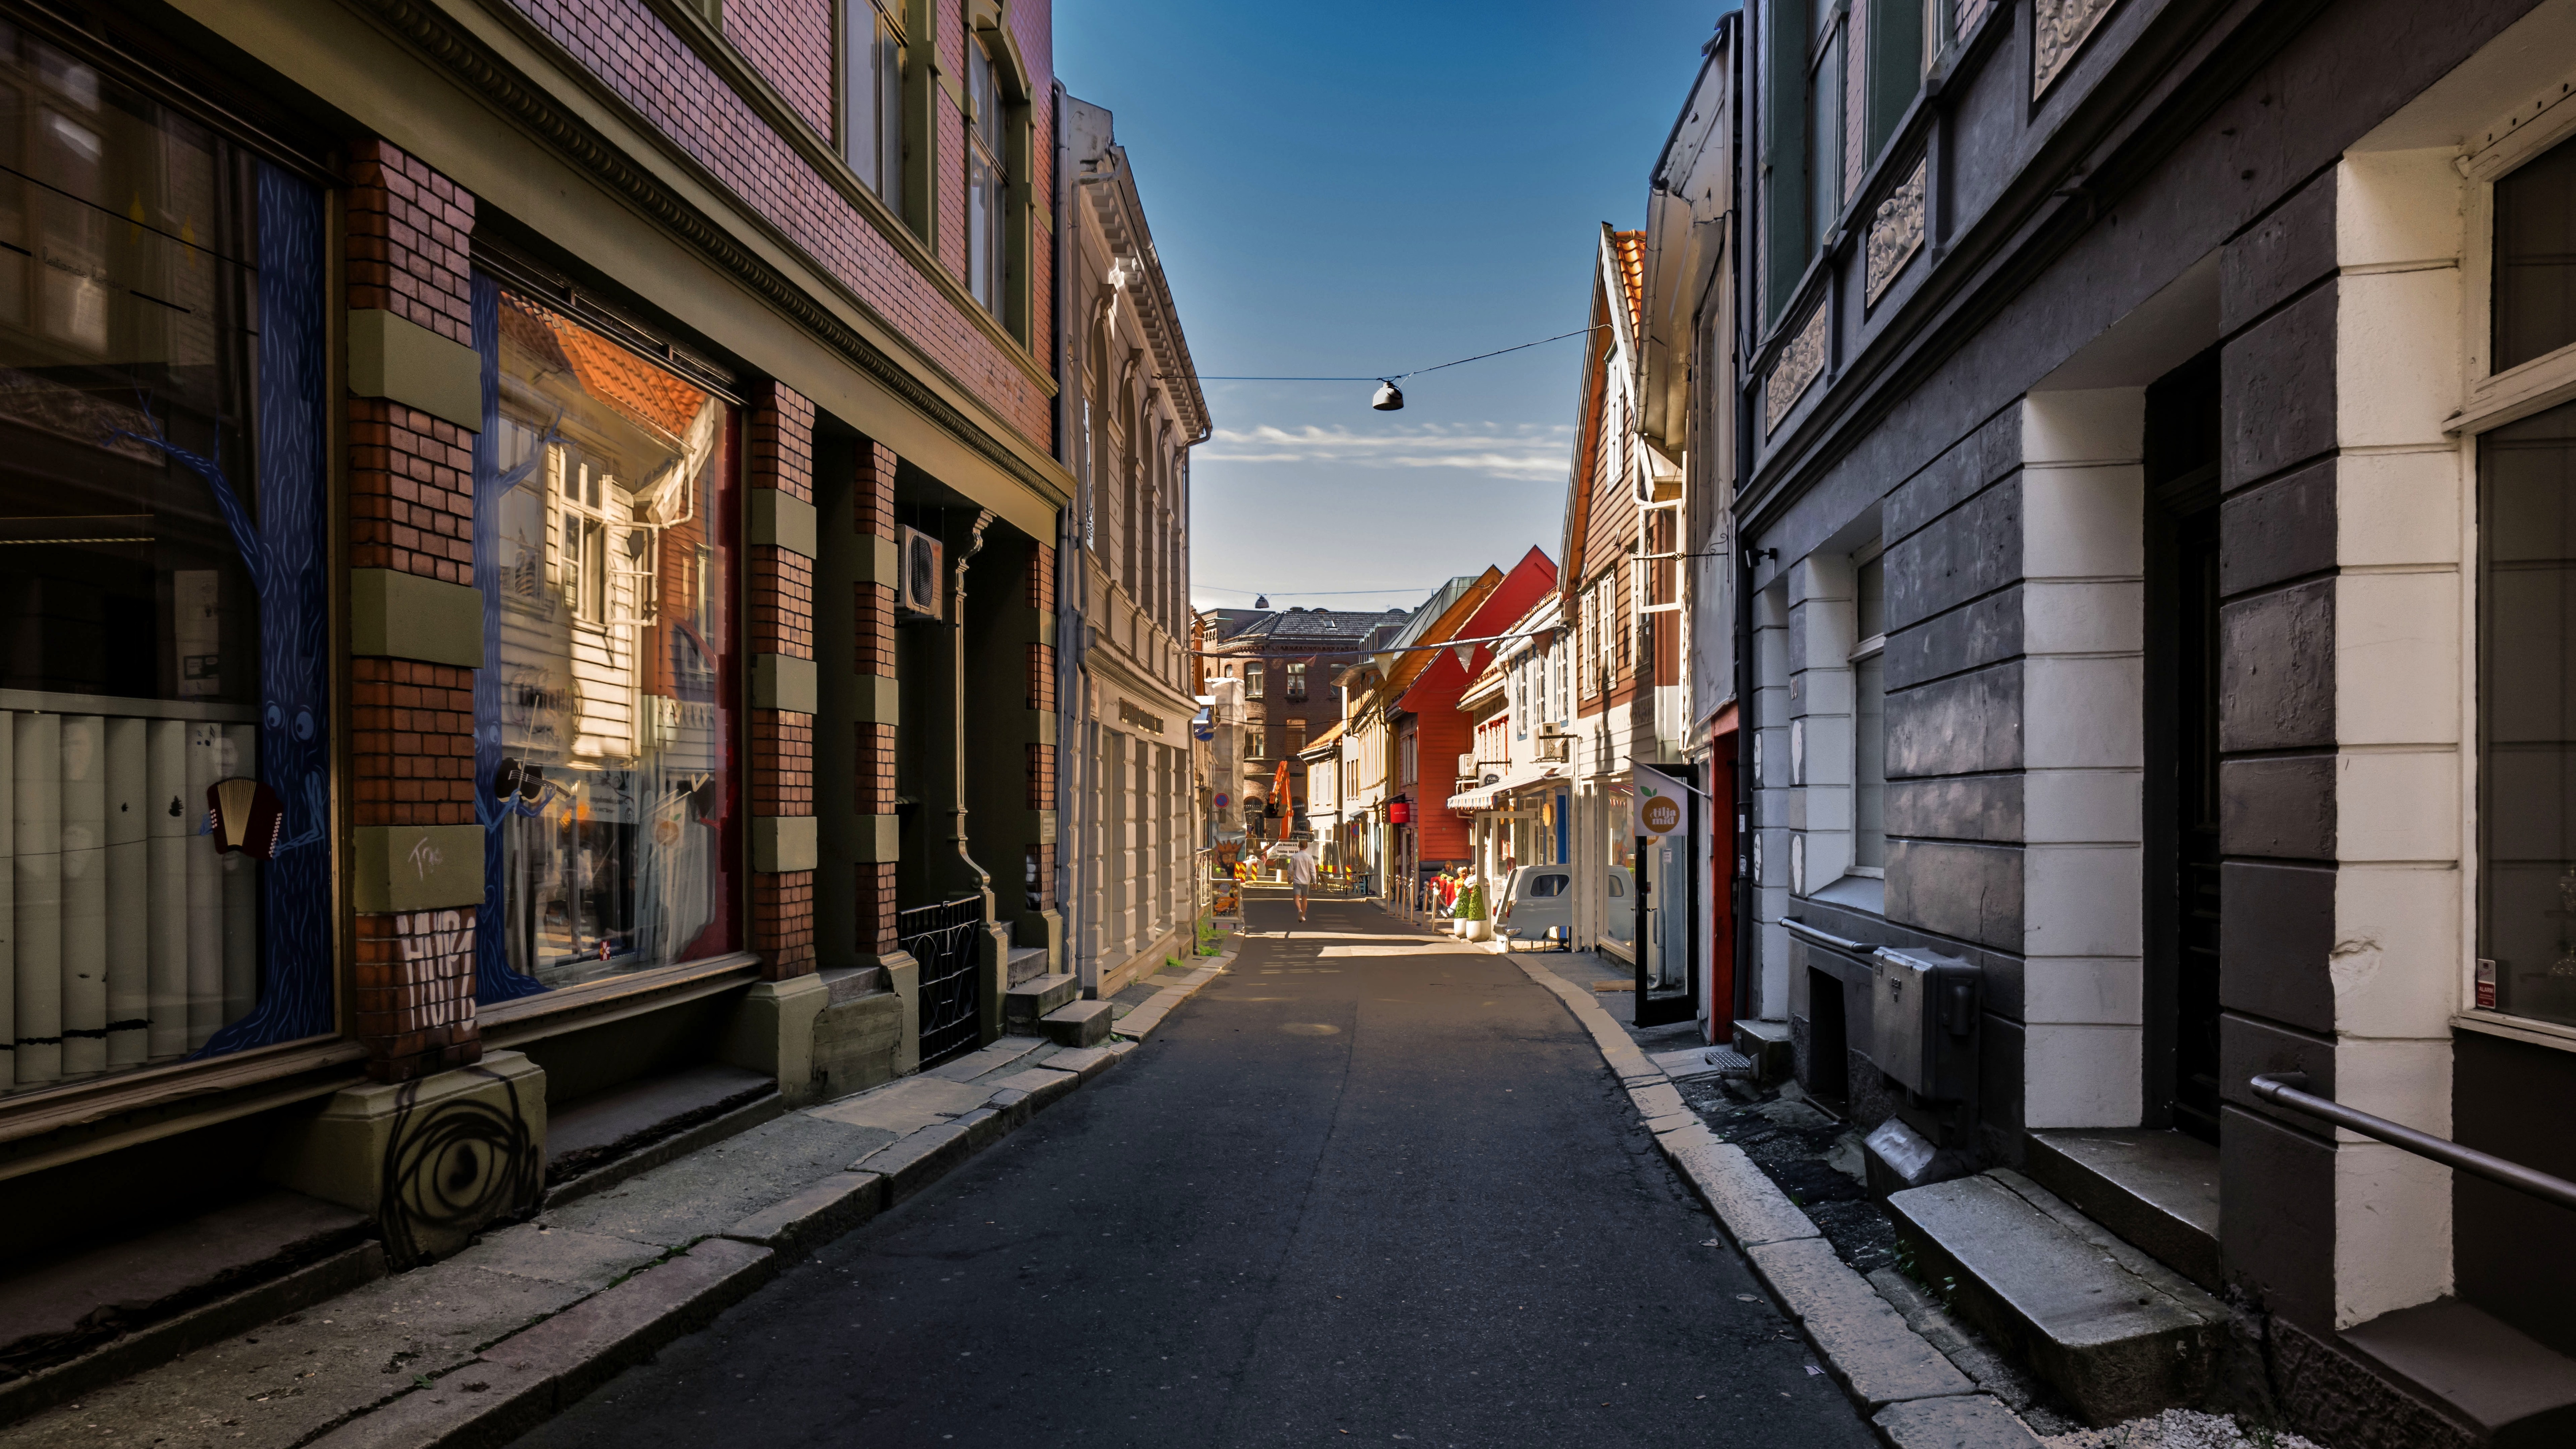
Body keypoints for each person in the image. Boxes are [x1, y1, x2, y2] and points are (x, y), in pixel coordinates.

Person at [1287, 838, 1318, 922]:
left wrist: (1289, 878)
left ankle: (1300, 910)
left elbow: (1290, 870)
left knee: (1296, 898)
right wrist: (1315, 882)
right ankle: (1303, 916)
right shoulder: (1310, 858)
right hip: (1306, 881)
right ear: (1307, 847)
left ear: (1299, 846)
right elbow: (1313, 871)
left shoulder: (1295, 857)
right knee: (1305, 898)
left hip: (1297, 881)